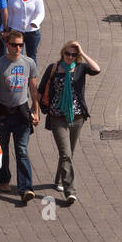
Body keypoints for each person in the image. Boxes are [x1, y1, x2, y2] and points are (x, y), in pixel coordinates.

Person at [38, 40, 100, 204]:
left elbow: (97, 69)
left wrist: (83, 52)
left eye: (74, 55)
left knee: (68, 154)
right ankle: (70, 191)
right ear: (62, 53)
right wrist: (34, 111)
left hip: (77, 117)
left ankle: (58, 180)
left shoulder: (80, 68)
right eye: (68, 54)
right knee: (65, 154)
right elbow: (39, 91)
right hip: (57, 117)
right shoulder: (53, 68)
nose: (70, 57)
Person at [0, 31, 40, 205]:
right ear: (7, 45)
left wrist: (36, 110)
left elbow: (33, 89)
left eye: (20, 45)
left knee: (22, 150)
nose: (18, 48)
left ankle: (26, 188)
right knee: (3, 149)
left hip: (21, 112)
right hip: (3, 112)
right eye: (14, 45)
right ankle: (4, 179)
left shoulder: (29, 63)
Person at [6, 0, 45, 68]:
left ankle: (33, 78)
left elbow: (41, 13)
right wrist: (6, 28)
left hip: (32, 32)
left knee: (32, 56)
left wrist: (36, 22)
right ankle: (18, 77)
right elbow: (9, 14)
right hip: (16, 31)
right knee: (17, 55)